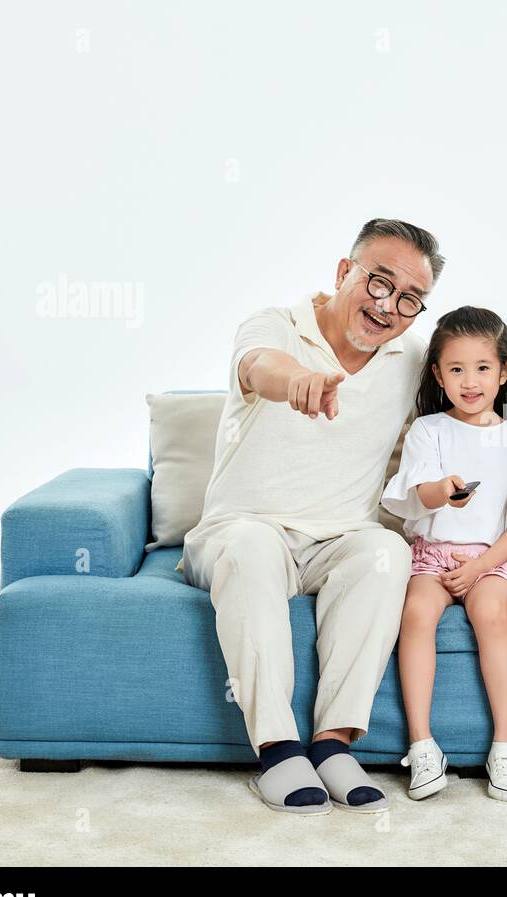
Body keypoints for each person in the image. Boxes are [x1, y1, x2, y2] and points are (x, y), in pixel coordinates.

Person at [181, 218, 442, 815]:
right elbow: (258, 366)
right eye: (379, 282)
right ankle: (276, 751)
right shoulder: (276, 324)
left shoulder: (410, 358)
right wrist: (297, 380)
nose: (388, 306)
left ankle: (333, 743)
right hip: (240, 531)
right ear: (344, 271)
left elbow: (479, 385)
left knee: (387, 551)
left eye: (409, 299)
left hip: (337, 541)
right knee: (250, 544)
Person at [382, 306, 507, 803]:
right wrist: (443, 490)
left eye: (482, 368)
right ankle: (422, 744)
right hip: (433, 554)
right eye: (456, 369)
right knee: (415, 613)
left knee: (491, 612)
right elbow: (415, 494)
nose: (469, 381)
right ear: (438, 374)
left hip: (492, 558)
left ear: (504, 373)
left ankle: (505, 745)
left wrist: (479, 566)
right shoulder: (428, 430)